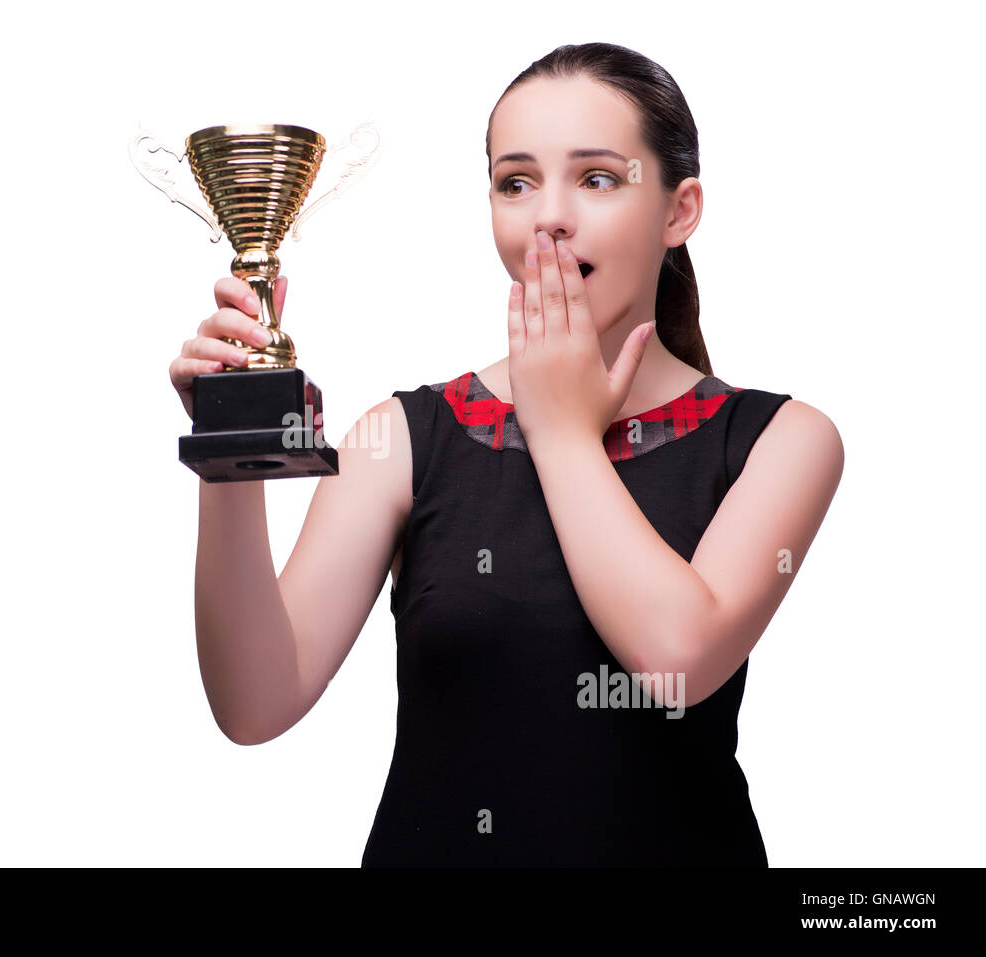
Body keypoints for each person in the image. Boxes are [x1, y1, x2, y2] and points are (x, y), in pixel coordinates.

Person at [168, 42, 844, 867]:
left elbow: (677, 658)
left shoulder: (782, 438)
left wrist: (560, 428)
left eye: (597, 179)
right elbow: (255, 700)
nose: (547, 216)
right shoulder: (407, 435)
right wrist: (229, 455)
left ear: (680, 210)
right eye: (515, 182)